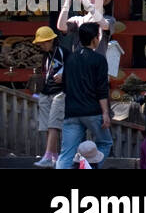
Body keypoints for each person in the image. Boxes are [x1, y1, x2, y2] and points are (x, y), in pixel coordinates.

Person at [57, 22, 112, 169]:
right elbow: (102, 89)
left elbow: (65, 85)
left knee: (67, 153)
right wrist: (105, 112)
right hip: (92, 110)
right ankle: (87, 167)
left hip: (71, 111)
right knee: (105, 143)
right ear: (95, 39)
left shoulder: (70, 59)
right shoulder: (99, 59)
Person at [31, 26, 66, 168]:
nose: (42, 45)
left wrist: (64, 76)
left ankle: (47, 155)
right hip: (46, 92)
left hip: (59, 92)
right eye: (41, 42)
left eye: (45, 42)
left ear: (52, 40)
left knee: (54, 124)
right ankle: (52, 154)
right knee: (45, 125)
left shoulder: (64, 52)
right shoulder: (46, 55)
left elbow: (73, 69)